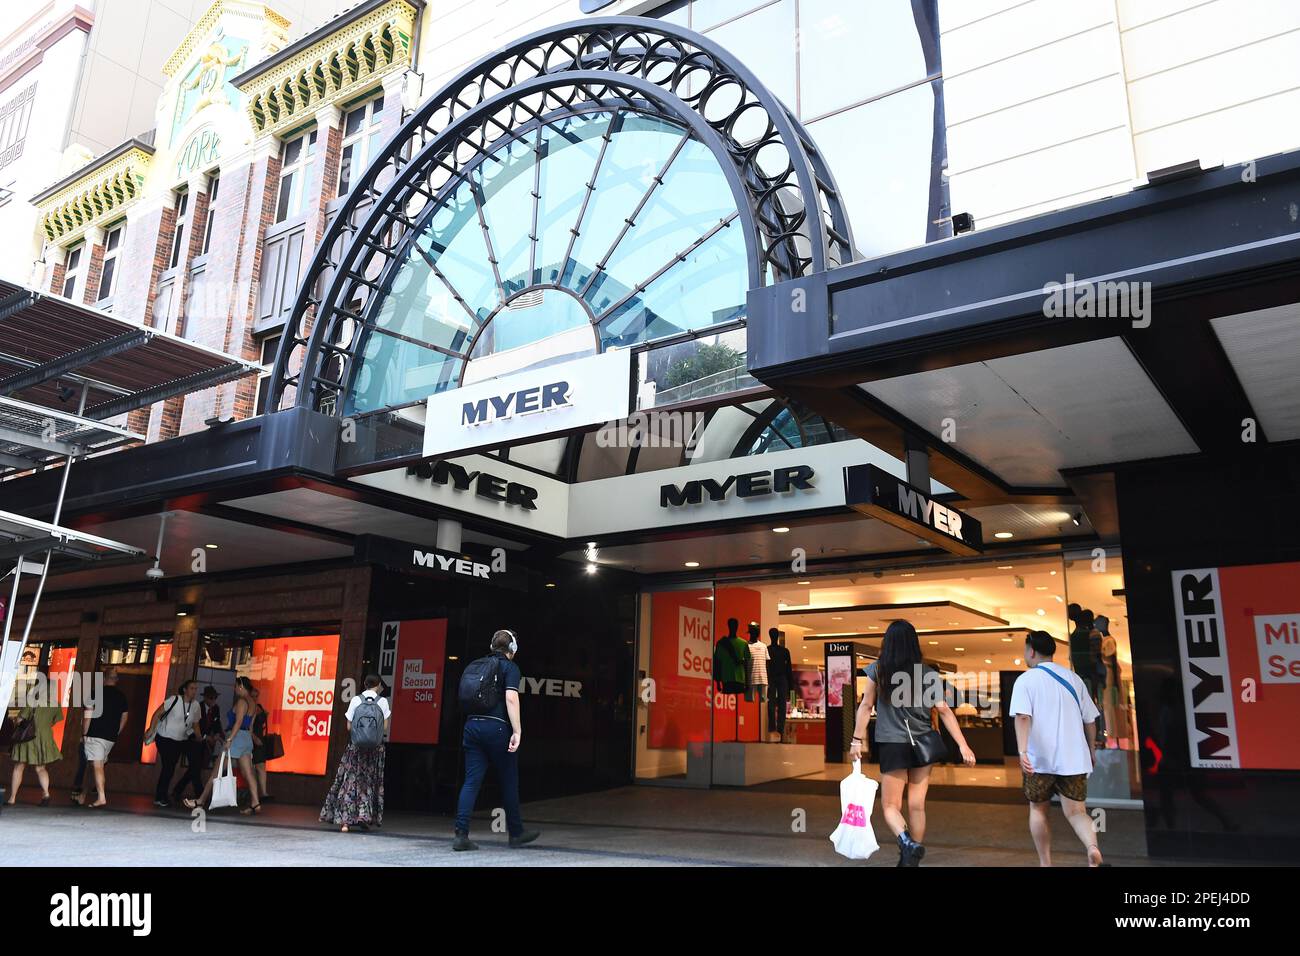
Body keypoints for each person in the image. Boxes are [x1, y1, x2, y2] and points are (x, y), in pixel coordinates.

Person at [848, 620, 976, 866]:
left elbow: (865, 706)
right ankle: (911, 859)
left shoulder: (878, 670)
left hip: (892, 743)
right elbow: (944, 710)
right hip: (923, 743)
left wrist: (856, 740)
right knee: (917, 805)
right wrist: (963, 745)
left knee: (890, 806)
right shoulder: (928, 673)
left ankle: (907, 843)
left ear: (888, 643)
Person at [1010, 630, 1105, 867]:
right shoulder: (1074, 679)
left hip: (1038, 760)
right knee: (1076, 812)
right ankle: (1092, 847)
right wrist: (1091, 751)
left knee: (1039, 810)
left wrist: (1022, 752)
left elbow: (1022, 717)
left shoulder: (1025, 680)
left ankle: (1045, 862)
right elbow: (1090, 720)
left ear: (1031, 650)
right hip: (1073, 759)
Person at [452, 630, 540, 851]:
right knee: (509, 781)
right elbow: (511, 698)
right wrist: (517, 730)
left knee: (471, 781)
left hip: (472, 726)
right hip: (497, 727)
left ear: (492, 646)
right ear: (512, 649)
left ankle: (461, 834)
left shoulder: (476, 664)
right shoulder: (510, 667)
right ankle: (516, 833)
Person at [320, 675, 390, 833]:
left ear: (365, 685)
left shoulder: (356, 700)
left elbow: (348, 726)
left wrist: (360, 735)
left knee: (350, 782)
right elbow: (384, 727)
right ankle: (364, 818)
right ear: (378, 685)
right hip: (374, 751)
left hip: (355, 748)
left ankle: (345, 822)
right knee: (369, 783)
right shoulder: (383, 702)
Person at [184, 676, 261, 815]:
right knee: (248, 773)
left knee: (216, 772)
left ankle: (200, 801)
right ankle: (255, 803)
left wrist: (230, 739)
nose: (235, 689)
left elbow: (238, 722)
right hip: (245, 739)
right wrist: (251, 739)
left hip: (236, 738)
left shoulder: (242, 701)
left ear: (241, 686)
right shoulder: (254, 704)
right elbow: (250, 726)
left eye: (236, 686)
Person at [146, 679, 202, 807]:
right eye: (192, 688)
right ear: (185, 689)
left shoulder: (196, 706)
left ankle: (162, 795)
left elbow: (195, 724)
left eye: (196, 689)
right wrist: (150, 729)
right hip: (165, 737)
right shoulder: (174, 700)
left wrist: (199, 738)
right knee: (169, 765)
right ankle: (160, 796)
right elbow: (157, 714)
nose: (194, 691)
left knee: (170, 766)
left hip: (181, 740)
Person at [79, 666, 129, 809]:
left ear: (103, 678)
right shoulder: (122, 696)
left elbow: (87, 716)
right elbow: (125, 717)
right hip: (110, 738)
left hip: (95, 734)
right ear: (116, 680)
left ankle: (101, 797)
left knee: (97, 766)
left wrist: (84, 733)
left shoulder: (94, 694)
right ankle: (84, 793)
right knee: (95, 766)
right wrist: (116, 732)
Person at [5, 699, 63, 806]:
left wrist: (14, 720)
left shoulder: (31, 702)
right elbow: (55, 720)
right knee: (41, 768)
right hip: (44, 738)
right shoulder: (56, 703)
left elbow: (20, 720)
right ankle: (46, 794)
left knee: (19, 766)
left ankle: (12, 798)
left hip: (28, 738)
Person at [766, 628, 793, 741]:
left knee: (780, 705)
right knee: (772, 705)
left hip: (780, 678)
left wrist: (790, 687)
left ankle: (779, 729)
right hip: (774, 678)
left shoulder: (784, 651)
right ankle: (774, 728)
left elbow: (789, 669)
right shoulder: (767, 650)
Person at [249, 686, 271, 801]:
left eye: (256, 696)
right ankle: (255, 793)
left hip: (259, 740)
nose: (254, 698)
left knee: (261, 766)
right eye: (252, 696)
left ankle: (263, 792)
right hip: (252, 739)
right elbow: (248, 727)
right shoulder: (248, 708)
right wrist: (253, 737)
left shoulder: (258, 707)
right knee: (251, 768)